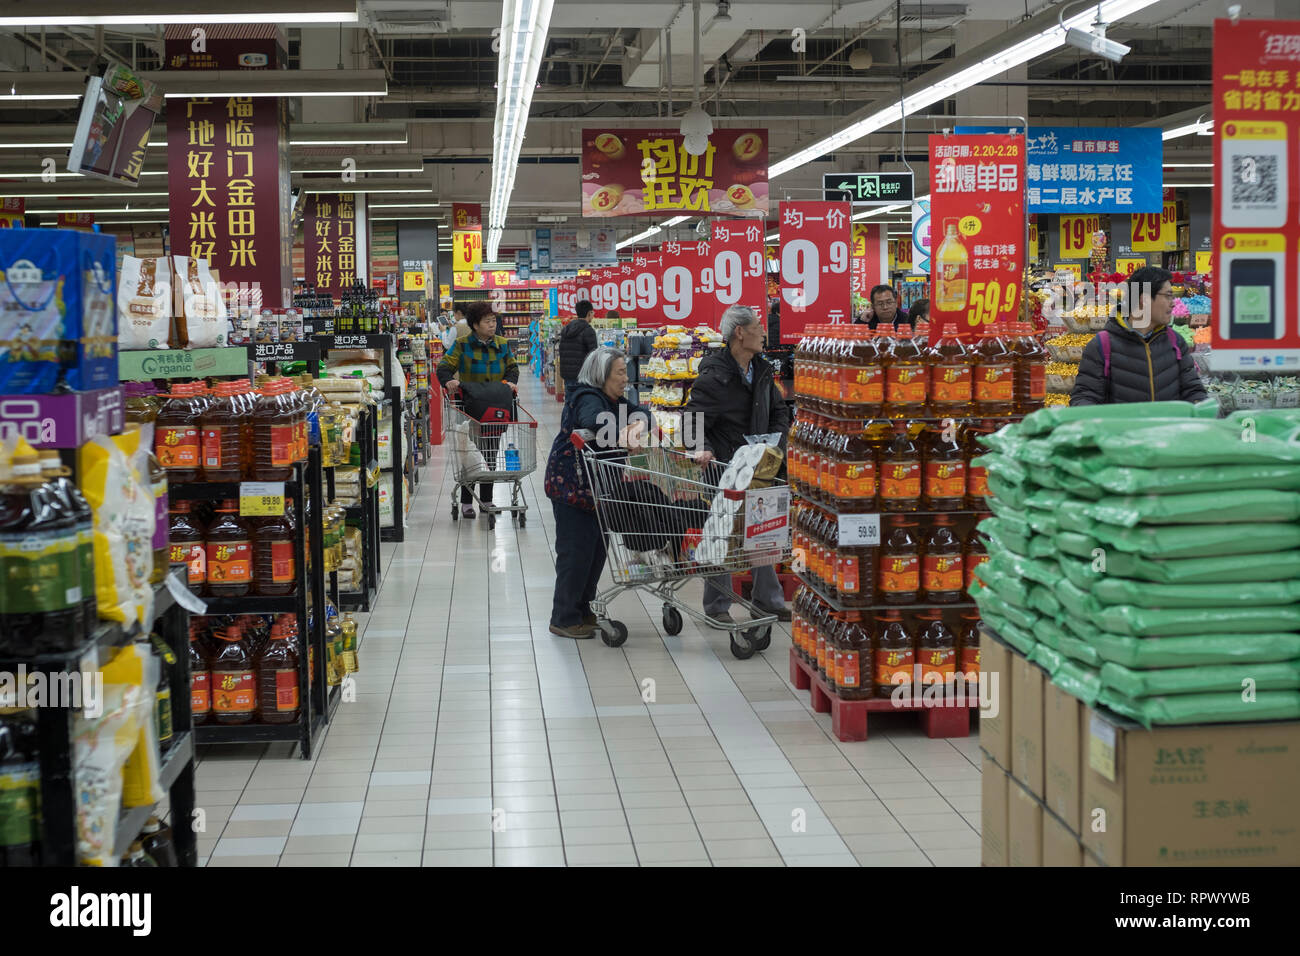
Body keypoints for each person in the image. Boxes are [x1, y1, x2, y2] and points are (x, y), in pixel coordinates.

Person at [683, 304, 793, 623]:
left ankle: (767, 600)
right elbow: (692, 419)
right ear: (739, 333)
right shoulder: (714, 375)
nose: (764, 331)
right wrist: (702, 448)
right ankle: (717, 607)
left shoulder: (761, 369)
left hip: (762, 464)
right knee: (722, 535)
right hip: (727, 467)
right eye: (758, 327)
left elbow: (779, 411)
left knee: (764, 531)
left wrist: (777, 442)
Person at [544, 347, 651, 639]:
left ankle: (583, 610)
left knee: (595, 553)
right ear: (601, 375)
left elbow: (644, 413)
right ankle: (564, 617)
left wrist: (639, 423)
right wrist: (628, 431)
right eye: (619, 372)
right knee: (575, 552)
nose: (626, 378)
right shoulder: (587, 397)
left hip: (599, 488)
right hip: (572, 486)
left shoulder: (614, 399)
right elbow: (595, 422)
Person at [1071, 266, 1207, 406]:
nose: (1173, 303)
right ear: (1145, 299)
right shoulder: (1102, 345)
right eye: (1167, 296)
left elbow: (1193, 391)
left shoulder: (1176, 342)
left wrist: (1201, 408)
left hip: (1167, 428)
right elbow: (1084, 397)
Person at [437, 300, 520, 518]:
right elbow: (444, 366)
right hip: (470, 407)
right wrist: (448, 381)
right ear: (475, 325)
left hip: (495, 407)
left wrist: (511, 381)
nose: (492, 325)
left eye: (494, 321)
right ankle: (466, 501)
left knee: (490, 453)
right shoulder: (463, 344)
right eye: (487, 321)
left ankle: (487, 499)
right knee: (470, 455)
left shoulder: (502, 343)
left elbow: (512, 367)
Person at [558, 299, 598, 393]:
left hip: (567, 376)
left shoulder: (567, 329)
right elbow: (594, 355)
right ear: (589, 313)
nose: (593, 315)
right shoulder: (588, 330)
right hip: (583, 377)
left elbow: (561, 350)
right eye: (593, 313)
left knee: (570, 403)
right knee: (582, 404)